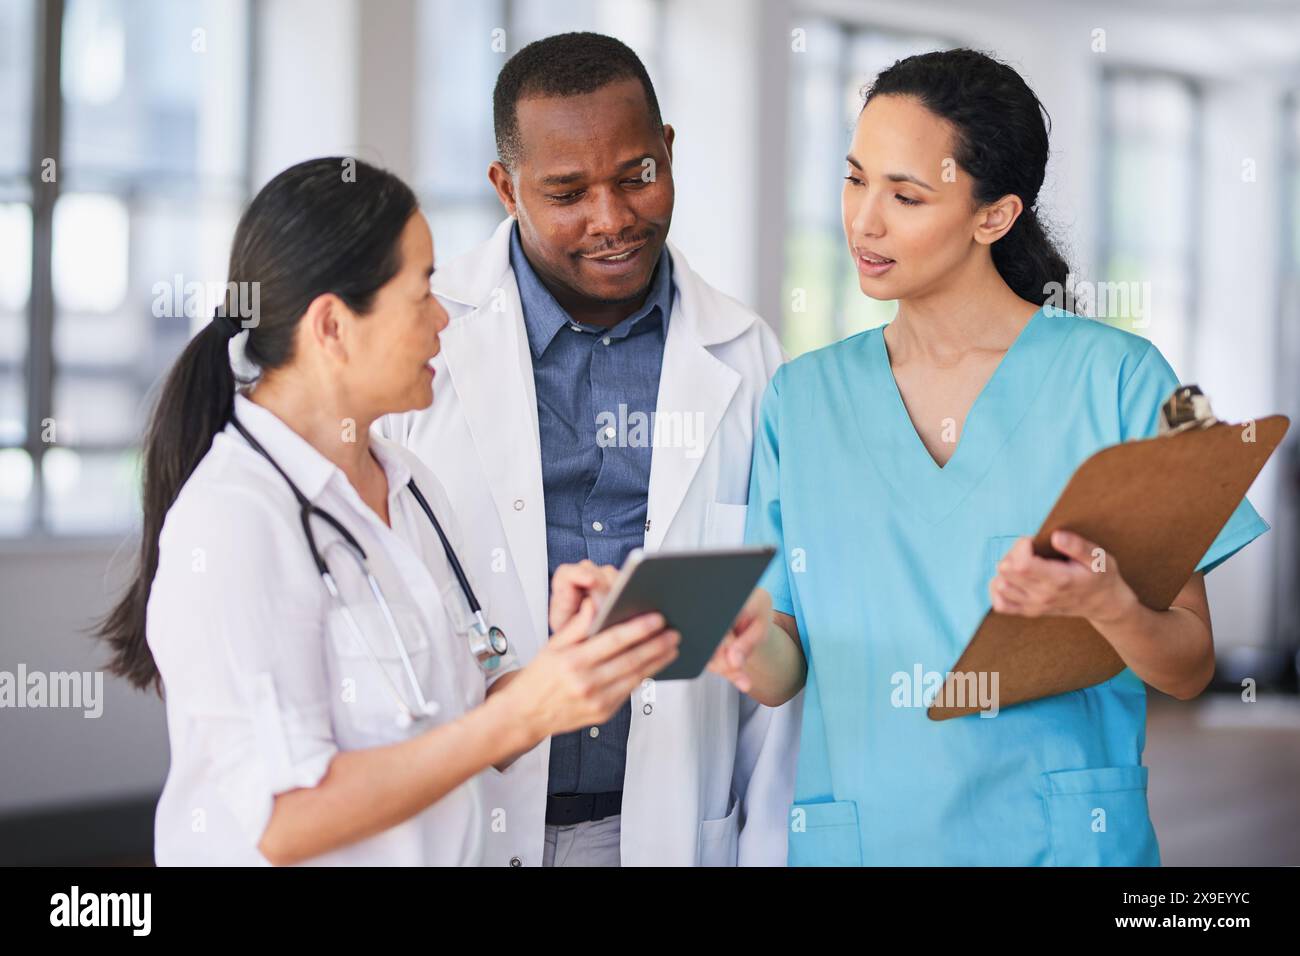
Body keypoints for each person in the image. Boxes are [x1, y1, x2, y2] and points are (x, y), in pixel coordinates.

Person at [707, 49, 1268, 866]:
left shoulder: (1114, 381)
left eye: (905, 195)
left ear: (995, 216)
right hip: (863, 842)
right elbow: (786, 663)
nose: (864, 220)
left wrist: (1109, 605)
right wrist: (743, 644)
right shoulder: (803, 400)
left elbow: (1187, 666)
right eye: (855, 179)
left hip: (1059, 844)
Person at [98, 157, 679, 866]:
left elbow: (477, 698)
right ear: (333, 326)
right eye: (421, 292)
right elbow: (285, 819)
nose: (443, 318)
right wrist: (520, 716)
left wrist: (578, 658)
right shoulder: (236, 522)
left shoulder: (411, 489)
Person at [383, 32, 800, 866]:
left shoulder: (747, 356)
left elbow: (774, 654)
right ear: (507, 189)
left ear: (668, 152)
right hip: (463, 817)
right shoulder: (422, 340)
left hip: (672, 819)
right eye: (567, 192)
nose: (611, 219)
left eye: (637, 176)